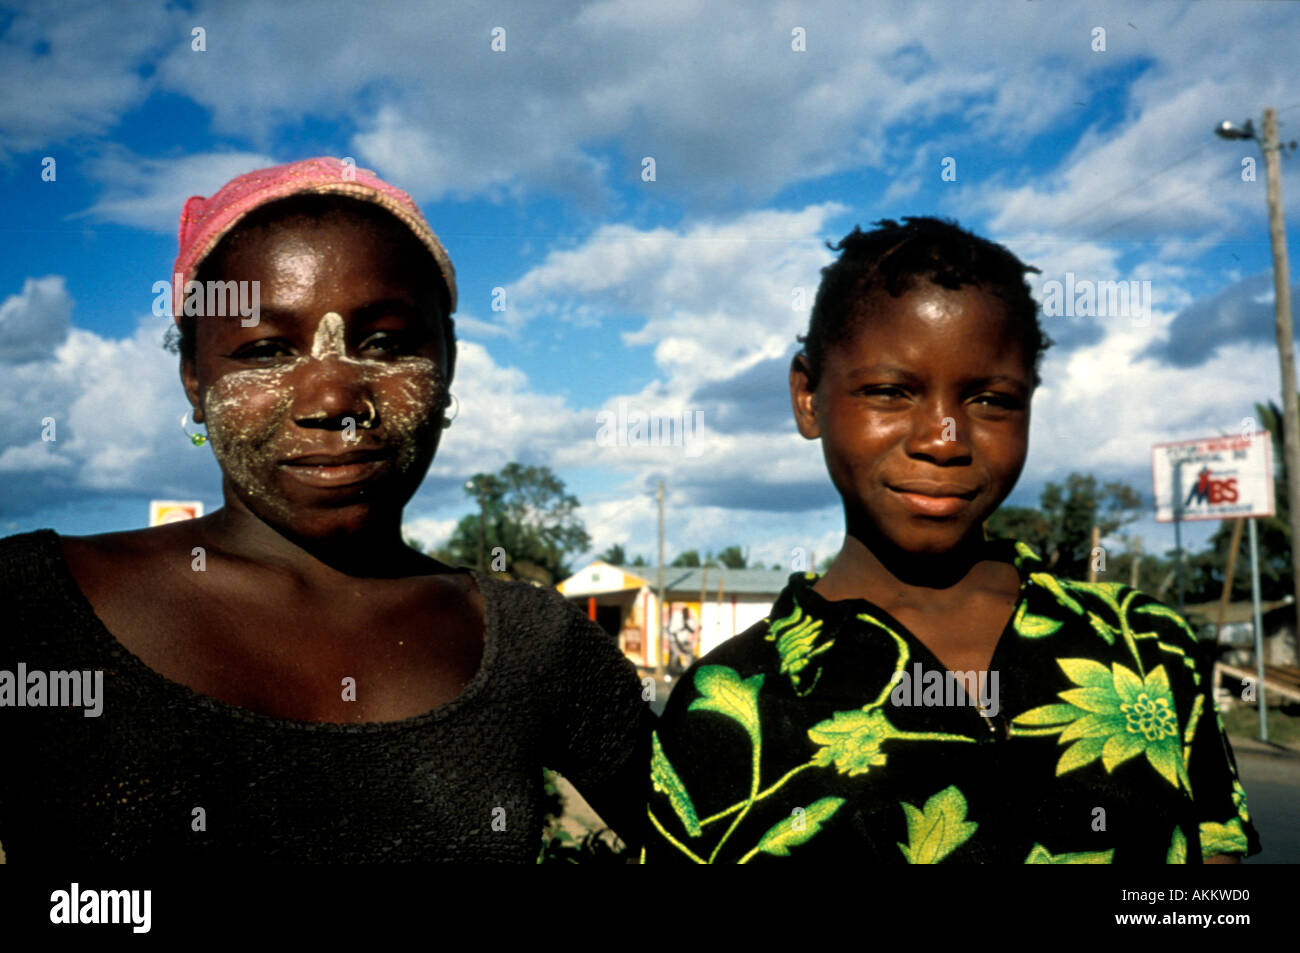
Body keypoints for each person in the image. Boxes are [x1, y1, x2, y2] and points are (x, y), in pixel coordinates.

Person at [0, 157, 649, 862]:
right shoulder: (29, 606)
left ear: (450, 361)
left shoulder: (531, 644)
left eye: (385, 343)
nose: (334, 401)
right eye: (266, 349)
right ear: (194, 377)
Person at [643, 217, 1260, 864]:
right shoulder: (729, 702)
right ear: (808, 396)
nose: (944, 438)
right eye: (888, 391)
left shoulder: (1148, 647)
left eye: (991, 400)